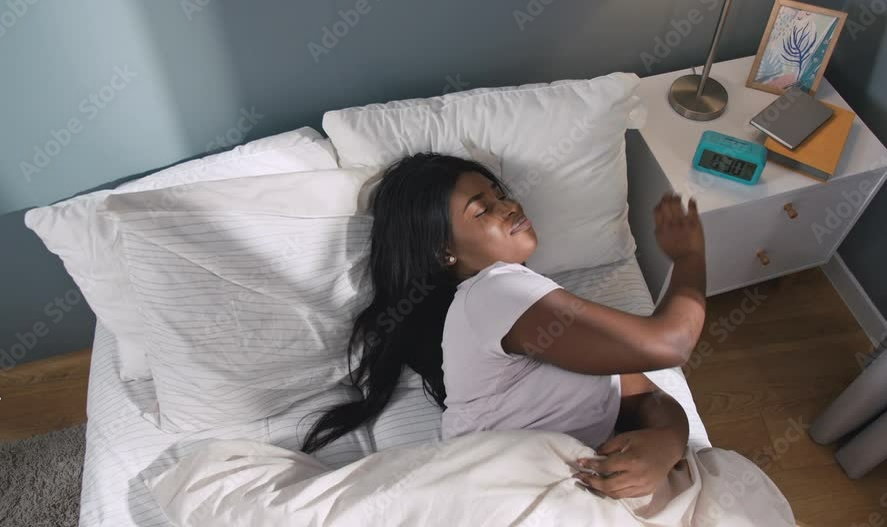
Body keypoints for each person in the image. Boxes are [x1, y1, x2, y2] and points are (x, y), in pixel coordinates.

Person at [303, 153, 707, 499]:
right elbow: (670, 343)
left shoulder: (537, 310)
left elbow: (648, 399)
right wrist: (689, 258)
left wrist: (665, 446)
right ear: (444, 251)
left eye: (500, 196)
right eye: (481, 210)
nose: (508, 207)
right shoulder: (494, 294)